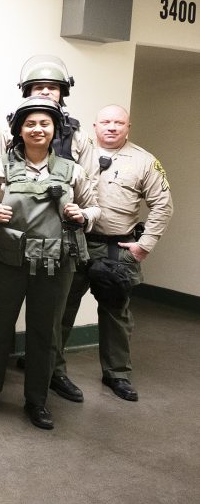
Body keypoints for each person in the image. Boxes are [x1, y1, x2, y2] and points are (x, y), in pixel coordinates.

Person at [0, 97, 99, 430]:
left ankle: (37, 401)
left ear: (54, 129)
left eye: (44, 123)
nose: (37, 129)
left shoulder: (73, 170)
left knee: (46, 332)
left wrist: (83, 215)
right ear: (19, 130)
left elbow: (95, 208)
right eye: (30, 123)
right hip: (8, 260)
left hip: (55, 263)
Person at [53, 105, 172, 403]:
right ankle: (51, 367)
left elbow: (163, 205)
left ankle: (116, 373)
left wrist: (144, 244)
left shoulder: (144, 162)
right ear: (94, 126)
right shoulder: (80, 155)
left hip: (115, 248)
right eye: (105, 121)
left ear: (128, 126)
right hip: (76, 241)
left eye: (118, 122)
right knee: (61, 307)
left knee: (115, 314)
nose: (111, 127)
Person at [0, 55, 98, 173]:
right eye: (39, 87)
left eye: (52, 87)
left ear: (61, 92)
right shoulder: (7, 131)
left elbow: (90, 181)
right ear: (29, 92)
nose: (45, 92)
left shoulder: (77, 134)